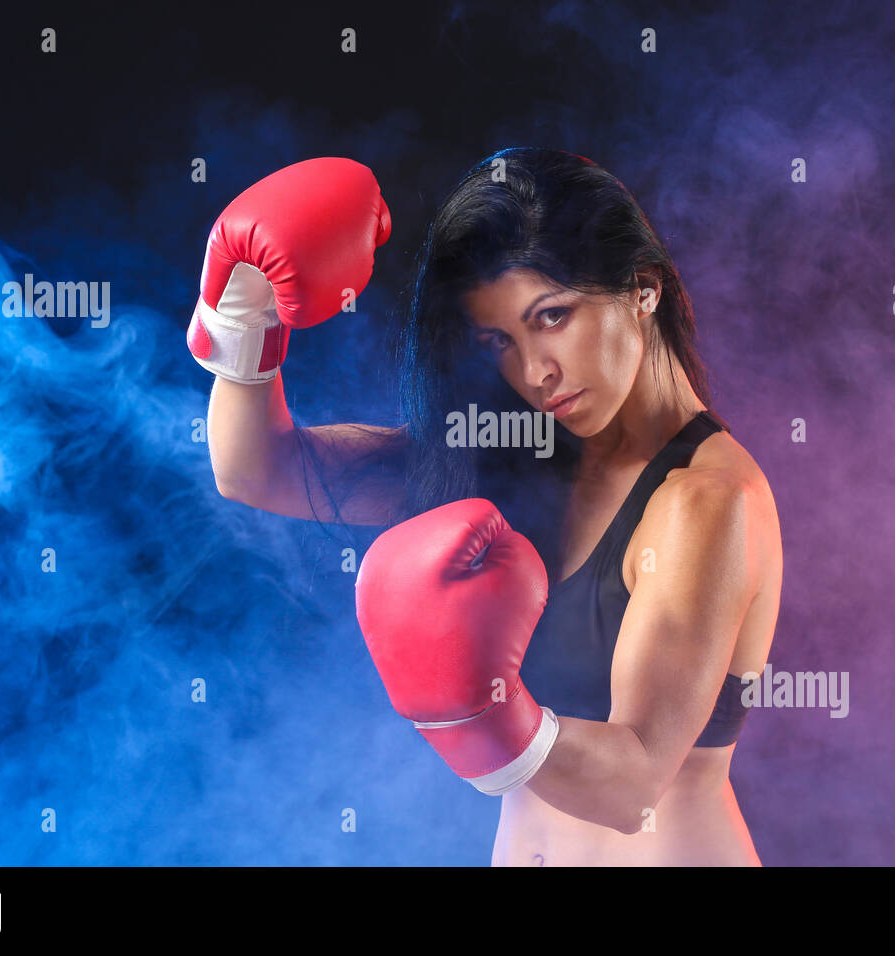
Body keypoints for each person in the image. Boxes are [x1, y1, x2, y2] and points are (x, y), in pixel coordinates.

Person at [192, 148, 783, 866]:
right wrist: (243, 316)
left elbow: (634, 786)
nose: (535, 371)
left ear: (643, 288)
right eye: (498, 341)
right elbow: (258, 468)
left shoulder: (708, 502)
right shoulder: (515, 458)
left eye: (553, 316)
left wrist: (477, 712)